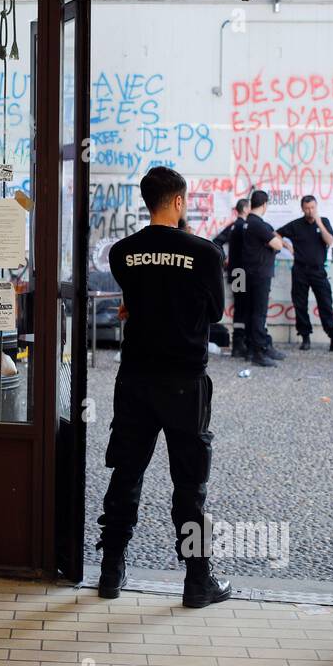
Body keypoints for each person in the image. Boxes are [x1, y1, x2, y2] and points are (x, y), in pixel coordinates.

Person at [98, 166, 233, 608]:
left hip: (135, 378)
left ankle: (111, 572)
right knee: (190, 485)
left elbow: (135, 303)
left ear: (146, 200)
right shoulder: (205, 254)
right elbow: (214, 313)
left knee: (127, 472)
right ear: (178, 202)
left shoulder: (122, 252)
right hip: (184, 382)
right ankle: (197, 581)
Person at [276, 196, 333, 353]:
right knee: (300, 304)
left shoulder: (324, 222)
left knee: (325, 304)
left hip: (318, 270)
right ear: (302, 208)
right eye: (307, 208)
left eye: (313, 208)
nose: (310, 211)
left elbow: (329, 241)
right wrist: (286, 245)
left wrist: (319, 223)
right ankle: (305, 337)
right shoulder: (296, 225)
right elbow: (276, 234)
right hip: (300, 269)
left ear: (317, 207)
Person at [240, 190, 288, 367]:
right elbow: (278, 244)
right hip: (260, 274)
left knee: (252, 312)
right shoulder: (258, 224)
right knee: (259, 314)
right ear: (265, 204)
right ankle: (259, 352)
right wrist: (273, 237)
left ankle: (254, 348)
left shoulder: (247, 223)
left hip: (249, 273)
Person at [215, 198, 250, 357]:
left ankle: (238, 342)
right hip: (244, 272)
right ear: (246, 209)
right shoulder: (246, 227)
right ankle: (241, 342)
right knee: (245, 306)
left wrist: (224, 259)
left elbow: (217, 242)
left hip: (236, 272)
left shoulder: (233, 227)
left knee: (240, 305)